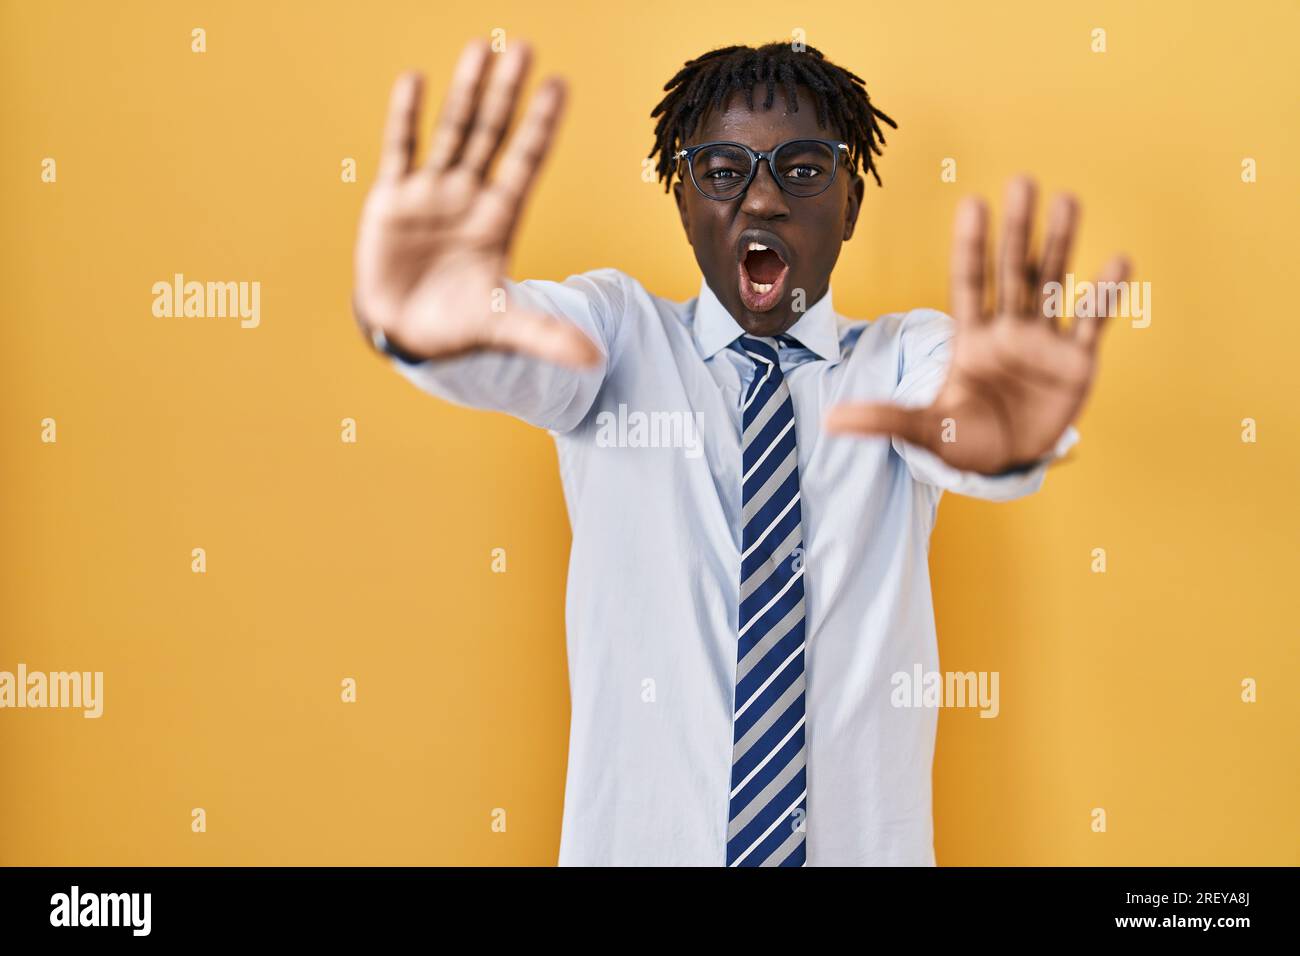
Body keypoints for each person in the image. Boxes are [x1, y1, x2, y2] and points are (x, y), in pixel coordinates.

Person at [350, 38, 1130, 866]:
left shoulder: (903, 358)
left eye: (802, 169)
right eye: (723, 171)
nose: (761, 199)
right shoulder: (618, 335)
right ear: (685, 203)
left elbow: (957, 420)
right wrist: (428, 329)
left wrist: (1001, 444)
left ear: (852, 204)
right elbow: (516, 347)